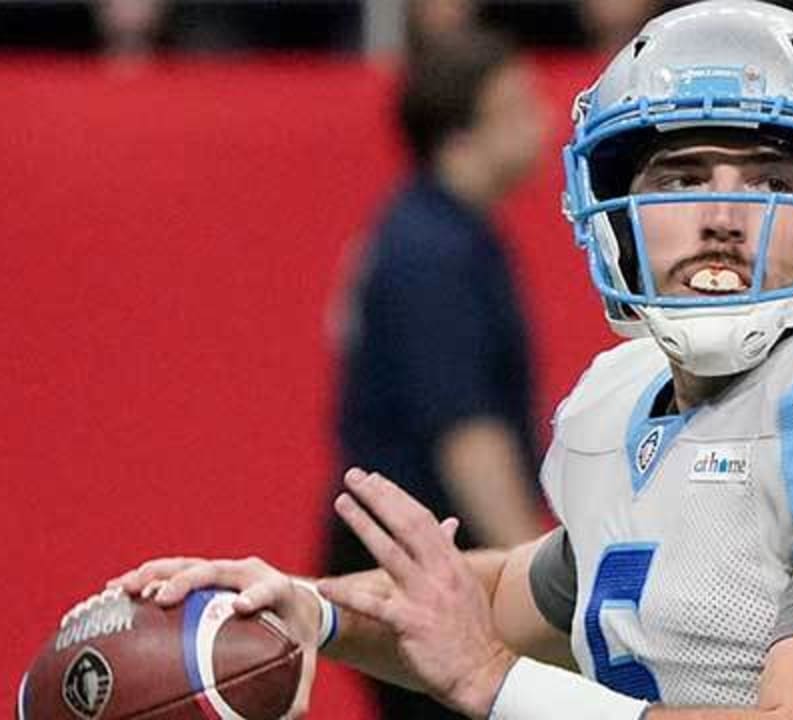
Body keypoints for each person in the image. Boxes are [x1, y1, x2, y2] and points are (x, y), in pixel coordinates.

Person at [110, 2, 793, 718]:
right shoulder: (624, 403)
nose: (720, 214)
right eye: (680, 176)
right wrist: (298, 609)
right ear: (608, 211)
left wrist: (494, 685)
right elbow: (510, 593)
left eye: (772, 180)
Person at [324, 27, 547, 720]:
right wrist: (535, 586)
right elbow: (466, 431)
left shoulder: (434, 232)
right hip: (430, 562)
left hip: (423, 552)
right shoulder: (434, 254)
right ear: (460, 135)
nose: (541, 122)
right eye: (517, 107)